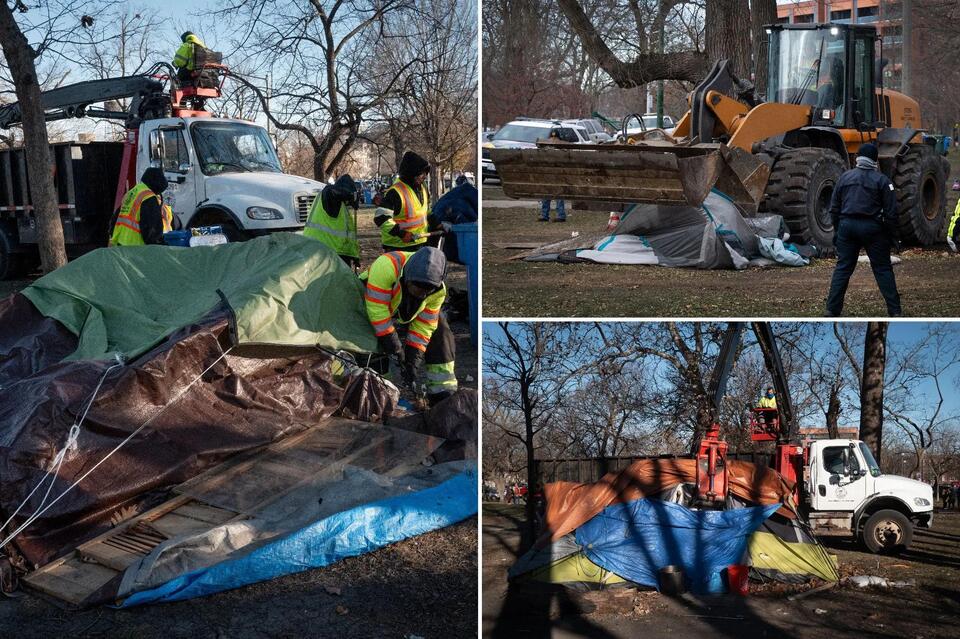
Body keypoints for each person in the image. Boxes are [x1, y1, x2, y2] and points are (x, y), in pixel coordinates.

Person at [361, 246, 457, 405]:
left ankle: (441, 392)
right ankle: (376, 391)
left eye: (428, 290)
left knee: (441, 330)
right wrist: (395, 348)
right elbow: (377, 313)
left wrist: (413, 360)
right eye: (418, 288)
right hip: (370, 300)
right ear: (408, 277)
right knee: (371, 337)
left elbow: (424, 326)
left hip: (402, 310)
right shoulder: (386, 266)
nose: (422, 294)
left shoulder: (438, 291)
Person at [825, 143, 902, 317]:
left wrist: (838, 231)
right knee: (882, 269)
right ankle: (895, 311)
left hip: (847, 226)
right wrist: (893, 236)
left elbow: (834, 209)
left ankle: (831, 309)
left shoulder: (844, 178)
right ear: (875, 160)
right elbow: (891, 213)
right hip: (873, 228)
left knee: (843, 268)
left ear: (858, 158)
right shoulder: (882, 180)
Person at [374, 151, 430, 252]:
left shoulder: (422, 188)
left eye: (425, 173)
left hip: (418, 243)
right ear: (412, 173)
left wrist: (437, 222)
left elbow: (425, 212)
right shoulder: (395, 192)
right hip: (397, 247)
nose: (424, 176)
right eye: (422, 173)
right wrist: (401, 233)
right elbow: (381, 218)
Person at [303, 174, 361, 269]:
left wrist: (354, 256)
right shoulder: (327, 194)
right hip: (323, 250)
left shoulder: (341, 207)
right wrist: (351, 195)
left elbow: (348, 236)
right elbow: (333, 191)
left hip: (336, 251)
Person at [109, 167, 175, 246]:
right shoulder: (149, 198)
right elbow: (152, 232)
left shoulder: (132, 192)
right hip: (137, 248)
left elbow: (115, 219)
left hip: (121, 244)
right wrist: (161, 245)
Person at [539, 130, 566, 222]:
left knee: (559, 196)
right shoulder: (545, 149)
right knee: (546, 195)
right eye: (552, 138)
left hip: (558, 175)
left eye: (555, 138)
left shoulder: (562, 150)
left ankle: (561, 215)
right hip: (548, 174)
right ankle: (544, 215)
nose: (553, 140)